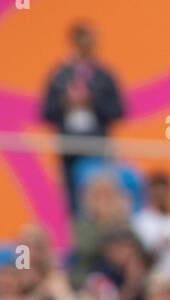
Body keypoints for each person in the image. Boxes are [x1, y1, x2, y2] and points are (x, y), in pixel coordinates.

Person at [40, 23, 125, 215]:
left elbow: (119, 111)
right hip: (69, 147)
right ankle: (79, 241)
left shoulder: (104, 76)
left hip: (98, 146)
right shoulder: (60, 76)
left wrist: (92, 99)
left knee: (101, 198)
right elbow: (46, 112)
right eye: (81, 41)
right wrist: (65, 101)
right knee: (73, 201)